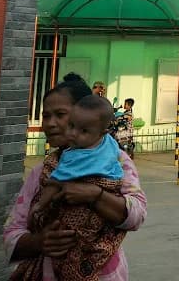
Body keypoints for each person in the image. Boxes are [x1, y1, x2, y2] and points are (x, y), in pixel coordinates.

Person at [4, 76, 146, 281]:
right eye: (46, 116)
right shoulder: (42, 172)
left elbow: (137, 215)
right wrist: (39, 242)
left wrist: (95, 195)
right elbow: (12, 231)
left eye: (61, 115)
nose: (50, 124)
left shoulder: (115, 162)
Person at [22, 94, 126, 280]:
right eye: (71, 126)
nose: (73, 134)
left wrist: (40, 205)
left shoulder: (74, 157)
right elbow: (15, 228)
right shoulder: (110, 146)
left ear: (102, 131)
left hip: (91, 244)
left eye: (61, 115)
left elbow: (55, 183)